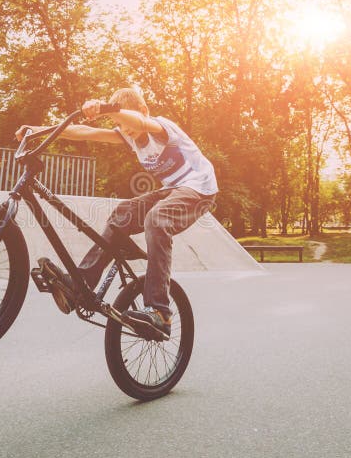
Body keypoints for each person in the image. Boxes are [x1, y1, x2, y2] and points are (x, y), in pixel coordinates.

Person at [15, 88, 218, 337]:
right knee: (122, 213)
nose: (125, 130)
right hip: (173, 189)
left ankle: (160, 311)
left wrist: (109, 109)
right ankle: (82, 284)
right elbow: (86, 132)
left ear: (142, 110)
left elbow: (141, 122)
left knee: (157, 218)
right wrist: (39, 130)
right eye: (119, 125)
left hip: (200, 190)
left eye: (126, 123)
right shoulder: (127, 135)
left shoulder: (161, 127)